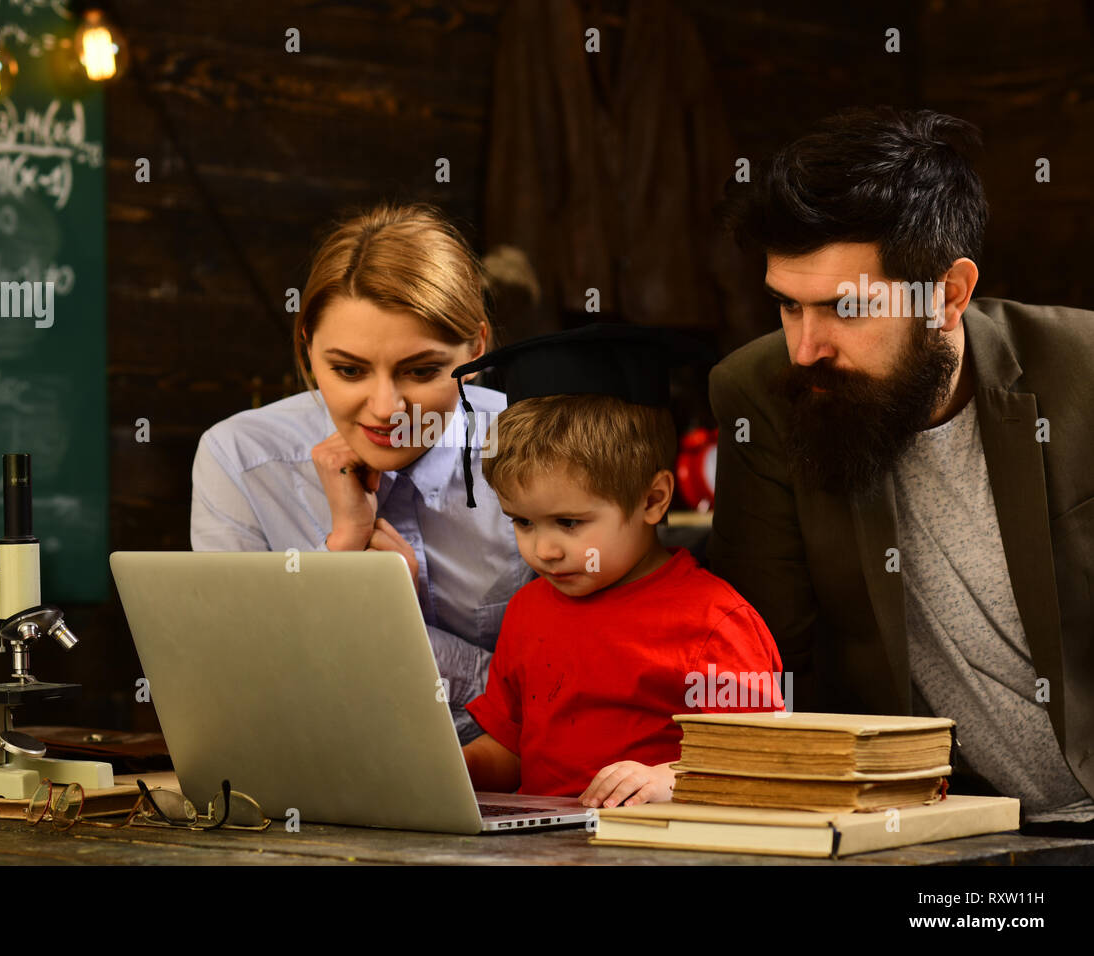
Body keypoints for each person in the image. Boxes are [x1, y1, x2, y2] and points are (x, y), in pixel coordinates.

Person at [710, 106, 1094, 831]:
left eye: (845, 308)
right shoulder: (760, 393)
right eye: (788, 306)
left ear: (948, 294)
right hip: (949, 827)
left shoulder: (1084, 373)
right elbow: (765, 659)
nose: (805, 348)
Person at [190, 202, 534, 742]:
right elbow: (240, 687)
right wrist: (342, 564)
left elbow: (573, 685)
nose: (385, 408)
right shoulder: (241, 459)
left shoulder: (537, 445)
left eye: (421, 371)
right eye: (348, 370)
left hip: (522, 786)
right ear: (307, 347)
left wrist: (394, 627)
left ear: (476, 350)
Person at [452, 325, 785, 808]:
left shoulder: (715, 624)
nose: (543, 549)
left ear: (653, 499)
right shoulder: (528, 610)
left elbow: (764, 757)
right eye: (522, 521)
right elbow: (512, 750)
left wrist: (672, 781)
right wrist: (459, 768)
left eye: (570, 522)